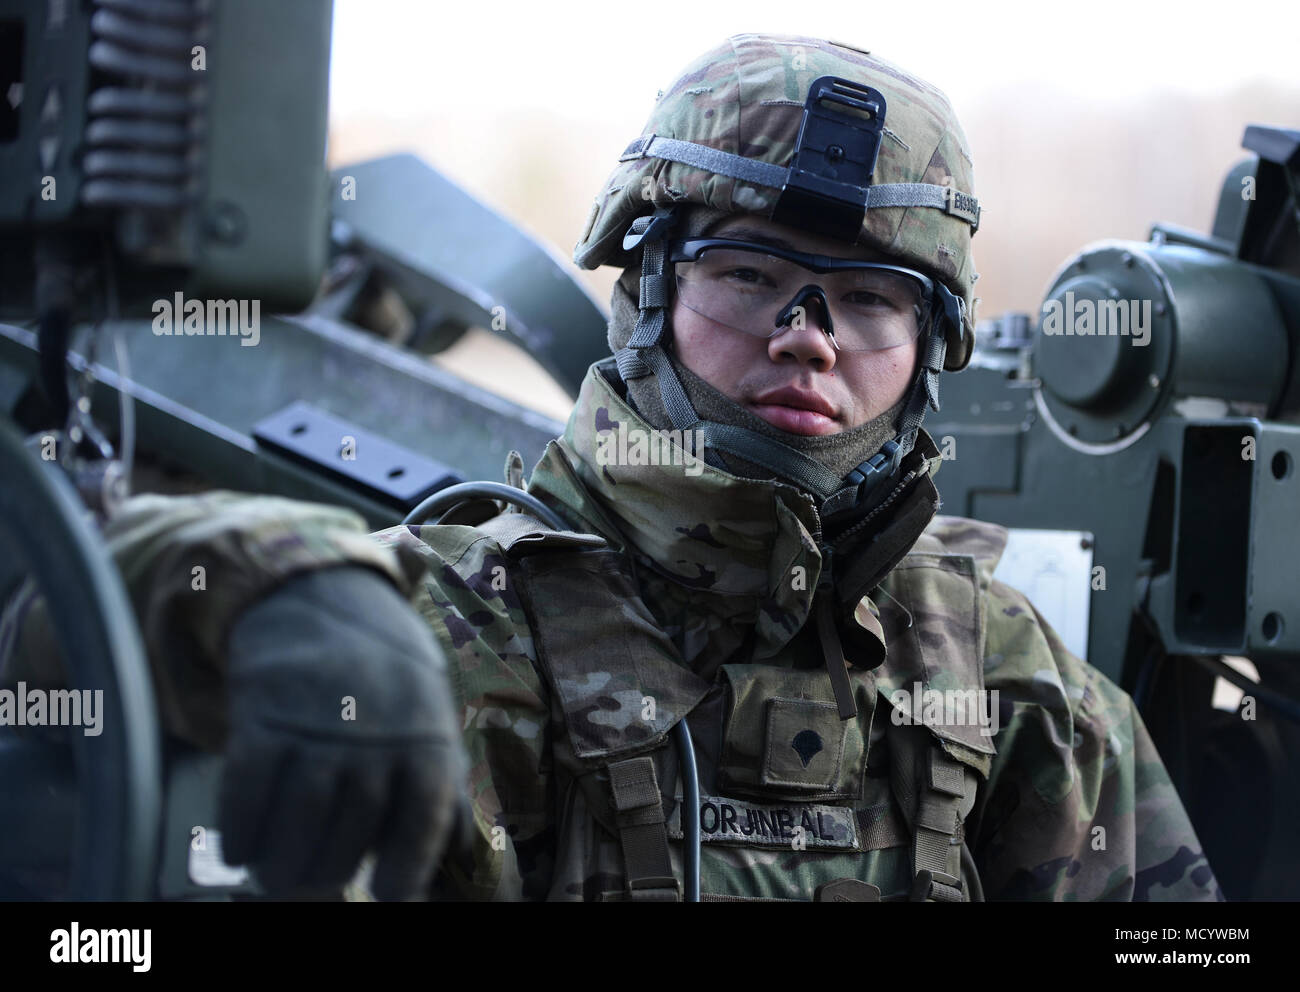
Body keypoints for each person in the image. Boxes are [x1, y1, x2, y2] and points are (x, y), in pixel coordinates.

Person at [4, 34, 1220, 902]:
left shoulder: (1012, 685)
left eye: (866, 300)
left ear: (930, 351)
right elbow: (53, 628)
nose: (808, 333)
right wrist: (276, 584)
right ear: (646, 293)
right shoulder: (449, 623)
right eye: (748, 274)